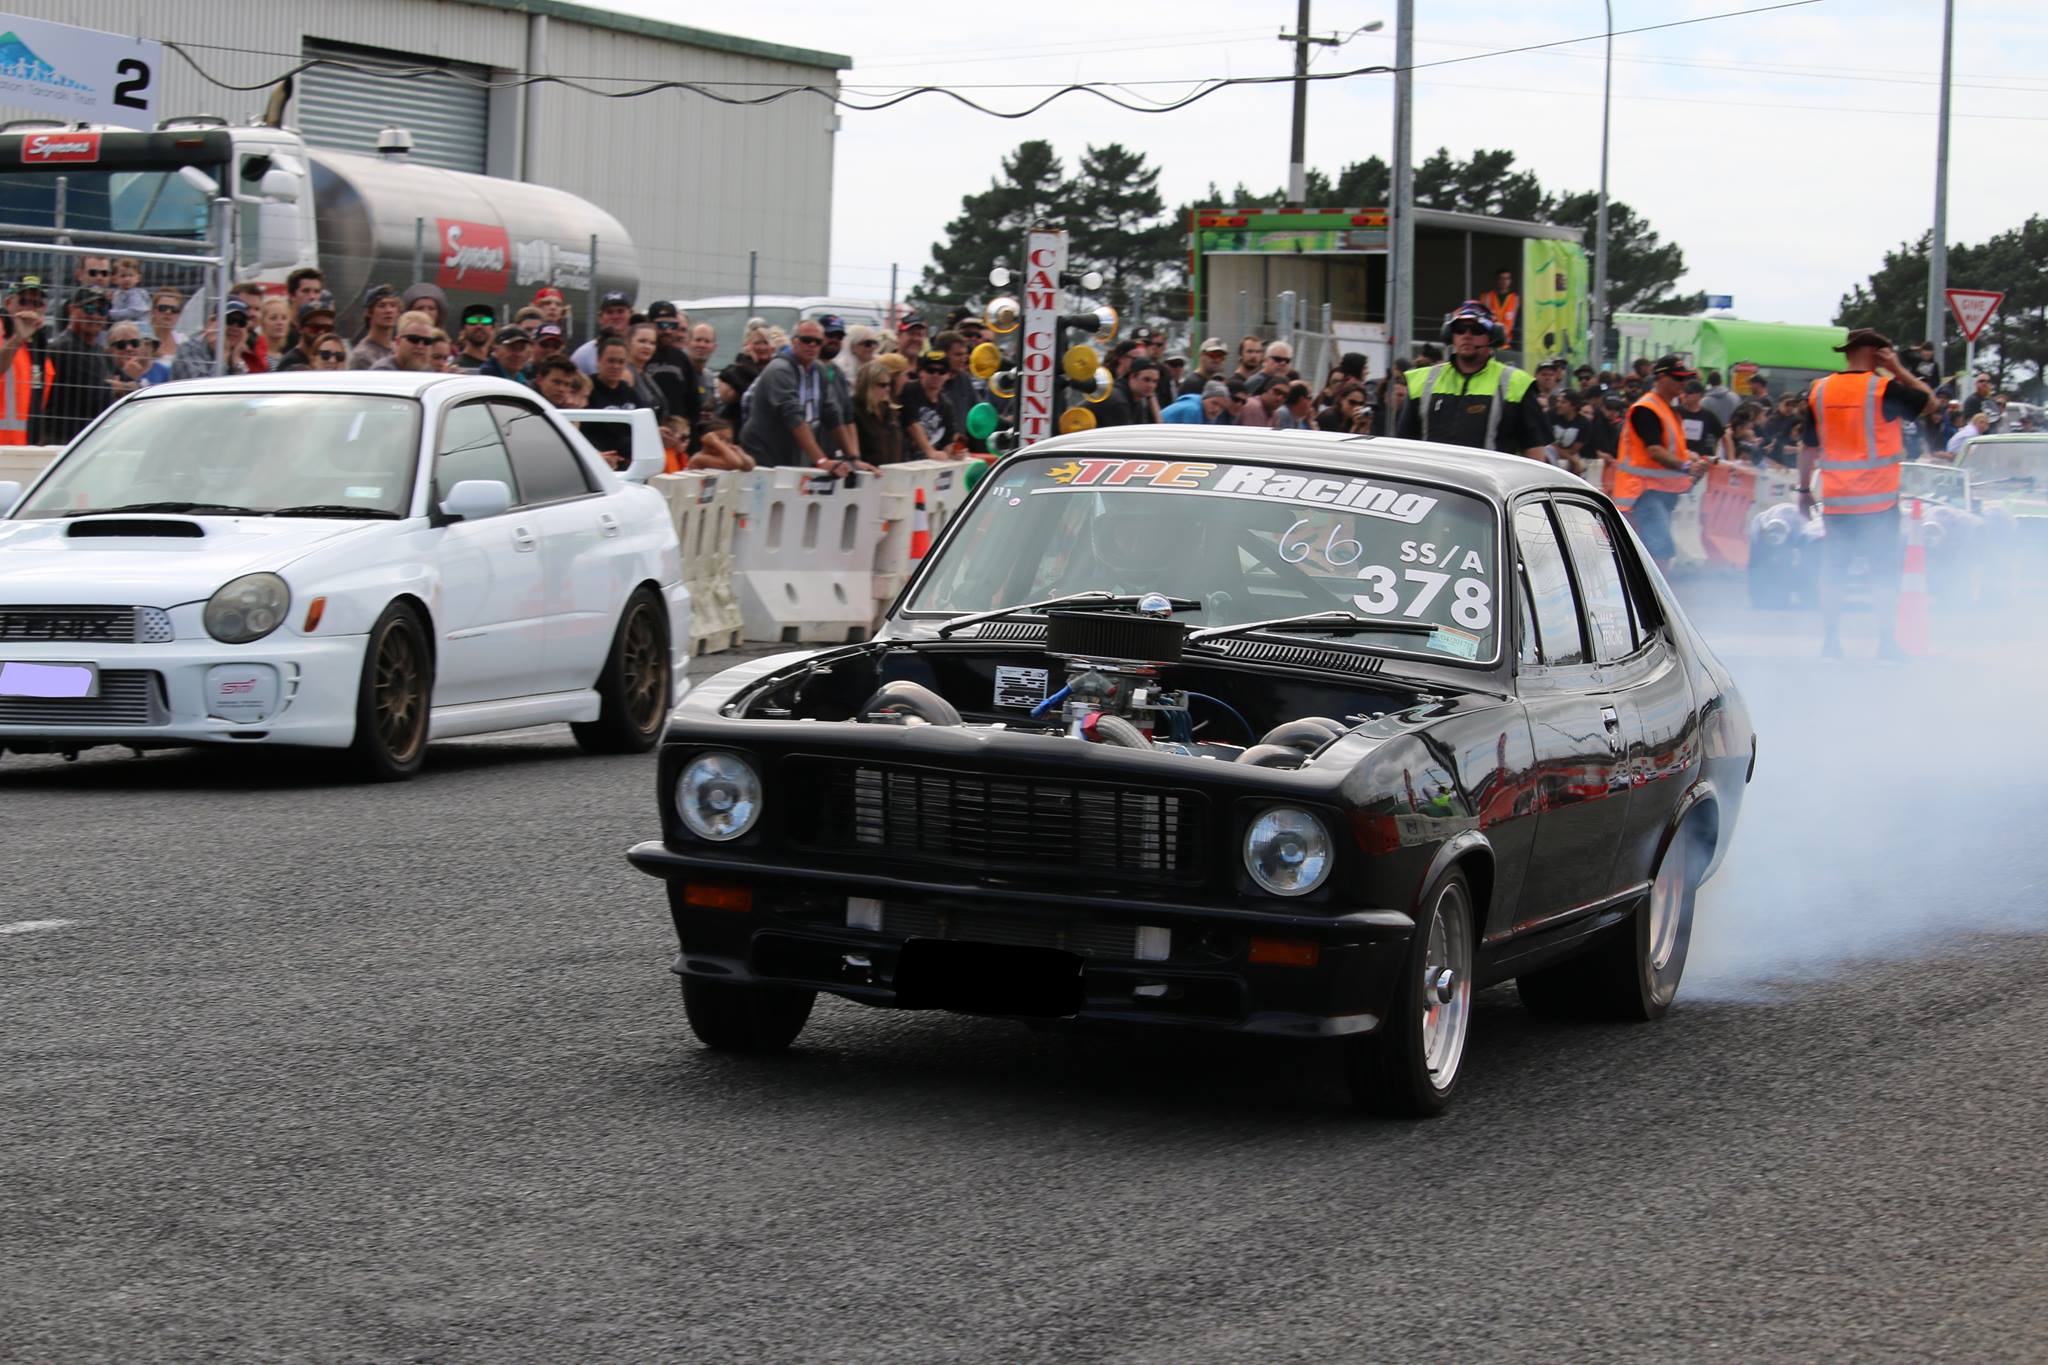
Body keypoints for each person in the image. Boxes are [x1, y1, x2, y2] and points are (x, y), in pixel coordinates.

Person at [1797, 327, 1936, 662]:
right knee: (1883, 572)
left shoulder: (1820, 391)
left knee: (1834, 571)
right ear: (1878, 354)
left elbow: (1808, 447)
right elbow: (1930, 404)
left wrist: (1803, 489)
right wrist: (1900, 369)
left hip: (1836, 501)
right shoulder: (1883, 389)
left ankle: (1831, 642)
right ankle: (1885, 642)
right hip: (1878, 502)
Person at [1396, 301, 1552, 458]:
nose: (1467, 335)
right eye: (1460, 329)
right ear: (1451, 335)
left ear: (1491, 337)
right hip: (1433, 480)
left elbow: (1535, 450)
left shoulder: (1517, 383)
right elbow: (1403, 446)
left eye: (1476, 330)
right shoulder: (1421, 381)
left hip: (1489, 481)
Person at [1611, 355, 1705, 572]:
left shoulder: (1667, 409)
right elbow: (1654, 450)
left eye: (1685, 379)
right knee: (1659, 548)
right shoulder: (1646, 408)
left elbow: (1674, 449)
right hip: (1644, 490)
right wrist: (1687, 467)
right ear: (1661, 377)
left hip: (1660, 491)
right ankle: (1656, 602)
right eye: (1677, 378)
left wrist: (1693, 460)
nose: (1683, 383)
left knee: (1650, 549)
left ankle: (1650, 600)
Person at [739, 319, 869, 473]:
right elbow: (794, 417)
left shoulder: (819, 370)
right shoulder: (779, 369)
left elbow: (833, 415)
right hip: (764, 453)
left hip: (794, 453)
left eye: (818, 342)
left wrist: (852, 458)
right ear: (794, 342)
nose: (812, 345)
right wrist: (821, 461)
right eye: (806, 340)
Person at [37, 289, 115, 443]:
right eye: (89, 309)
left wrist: (116, 385)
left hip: (88, 440)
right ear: (72, 309)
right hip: (62, 443)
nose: (95, 315)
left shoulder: (99, 351)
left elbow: (130, 386)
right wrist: (115, 386)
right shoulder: (63, 348)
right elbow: (98, 393)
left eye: (102, 310)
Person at [0, 276, 53, 445]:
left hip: (26, 445)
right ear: (8, 303)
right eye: (23, 301)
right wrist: (17, 339)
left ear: (43, 308)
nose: (30, 308)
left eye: (36, 303)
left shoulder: (41, 342)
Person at [901, 349, 960, 458]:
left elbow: (948, 440)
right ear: (920, 372)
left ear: (948, 375)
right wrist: (930, 451)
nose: (936, 375)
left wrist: (956, 451)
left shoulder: (946, 405)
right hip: (905, 460)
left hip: (928, 464)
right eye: (930, 370)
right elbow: (911, 423)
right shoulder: (910, 389)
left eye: (941, 371)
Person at [852, 357, 904, 463]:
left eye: (889, 385)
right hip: (867, 474)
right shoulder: (853, 411)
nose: (888, 389)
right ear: (867, 385)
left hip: (892, 472)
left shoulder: (889, 411)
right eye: (882, 385)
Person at [572, 291, 635, 373]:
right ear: (600, 318)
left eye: (620, 311)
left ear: (631, 314)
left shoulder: (638, 349)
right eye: (610, 312)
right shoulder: (583, 355)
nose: (615, 316)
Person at [348, 285, 401, 369]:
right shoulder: (362, 356)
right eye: (382, 305)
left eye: (393, 305)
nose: (389, 310)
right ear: (369, 312)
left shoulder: (398, 350)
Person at [1098, 358, 1162, 428]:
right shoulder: (1118, 400)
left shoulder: (1139, 398)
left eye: (1155, 381)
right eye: (1146, 380)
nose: (1151, 385)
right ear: (1132, 377)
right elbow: (1126, 436)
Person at [1677, 379, 1730, 462]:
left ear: (1700, 395)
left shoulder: (1707, 415)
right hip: (1677, 461)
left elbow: (1724, 436)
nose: (1685, 395)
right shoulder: (1676, 412)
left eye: (1690, 392)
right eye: (1684, 392)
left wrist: (1730, 460)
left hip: (1698, 463)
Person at [368, 312, 440, 372]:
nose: (420, 346)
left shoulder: (428, 373)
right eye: (414, 339)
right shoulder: (383, 372)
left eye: (427, 341)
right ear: (398, 341)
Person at [1479, 267, 1519, 346]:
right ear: (1497, 280)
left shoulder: (1515, 299)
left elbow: (1517, 321)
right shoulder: (1487, 297)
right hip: (1490, 343)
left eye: (1507, 278)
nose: (1504, 281)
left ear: (1510, 281)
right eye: (1502, 278)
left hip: (1508, 344)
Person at [450, 303, 496, 370]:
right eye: (472, 320)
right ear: (463, 328)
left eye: (485, 320)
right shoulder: (457, 368)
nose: (479, 326)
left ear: (492, 328)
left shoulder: (497, 367)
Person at [107, 258, 151, 327]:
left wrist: (112, 314)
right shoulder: (117, 293)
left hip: (139, 328)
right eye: (123, 276)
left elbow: (134, 311)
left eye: (131, 275)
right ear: (114, 279)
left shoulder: (137, 294)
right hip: (123, 327)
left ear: (138, 278)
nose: (127, 279)